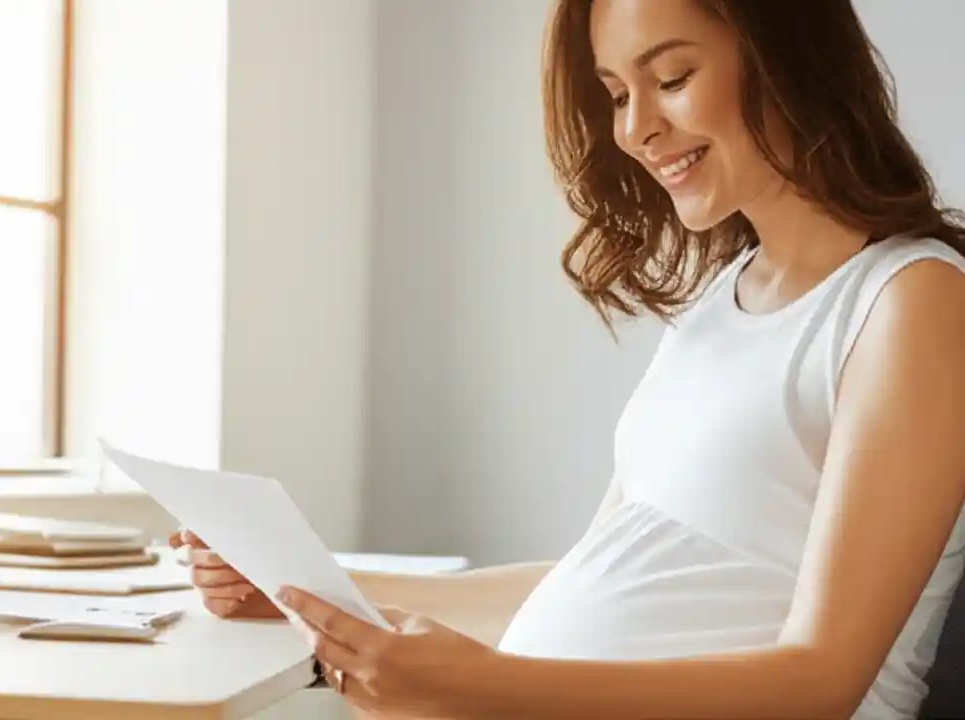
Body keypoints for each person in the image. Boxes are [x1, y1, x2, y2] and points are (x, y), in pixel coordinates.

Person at [171, 0, 965, 717]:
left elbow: (819, 681)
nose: (634, 129)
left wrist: (481, 687)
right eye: (619, 93)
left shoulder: (912, 302)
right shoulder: (719, 307)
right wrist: (299, 589)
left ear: (790, 57)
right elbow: (584, 585)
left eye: (673, 78)